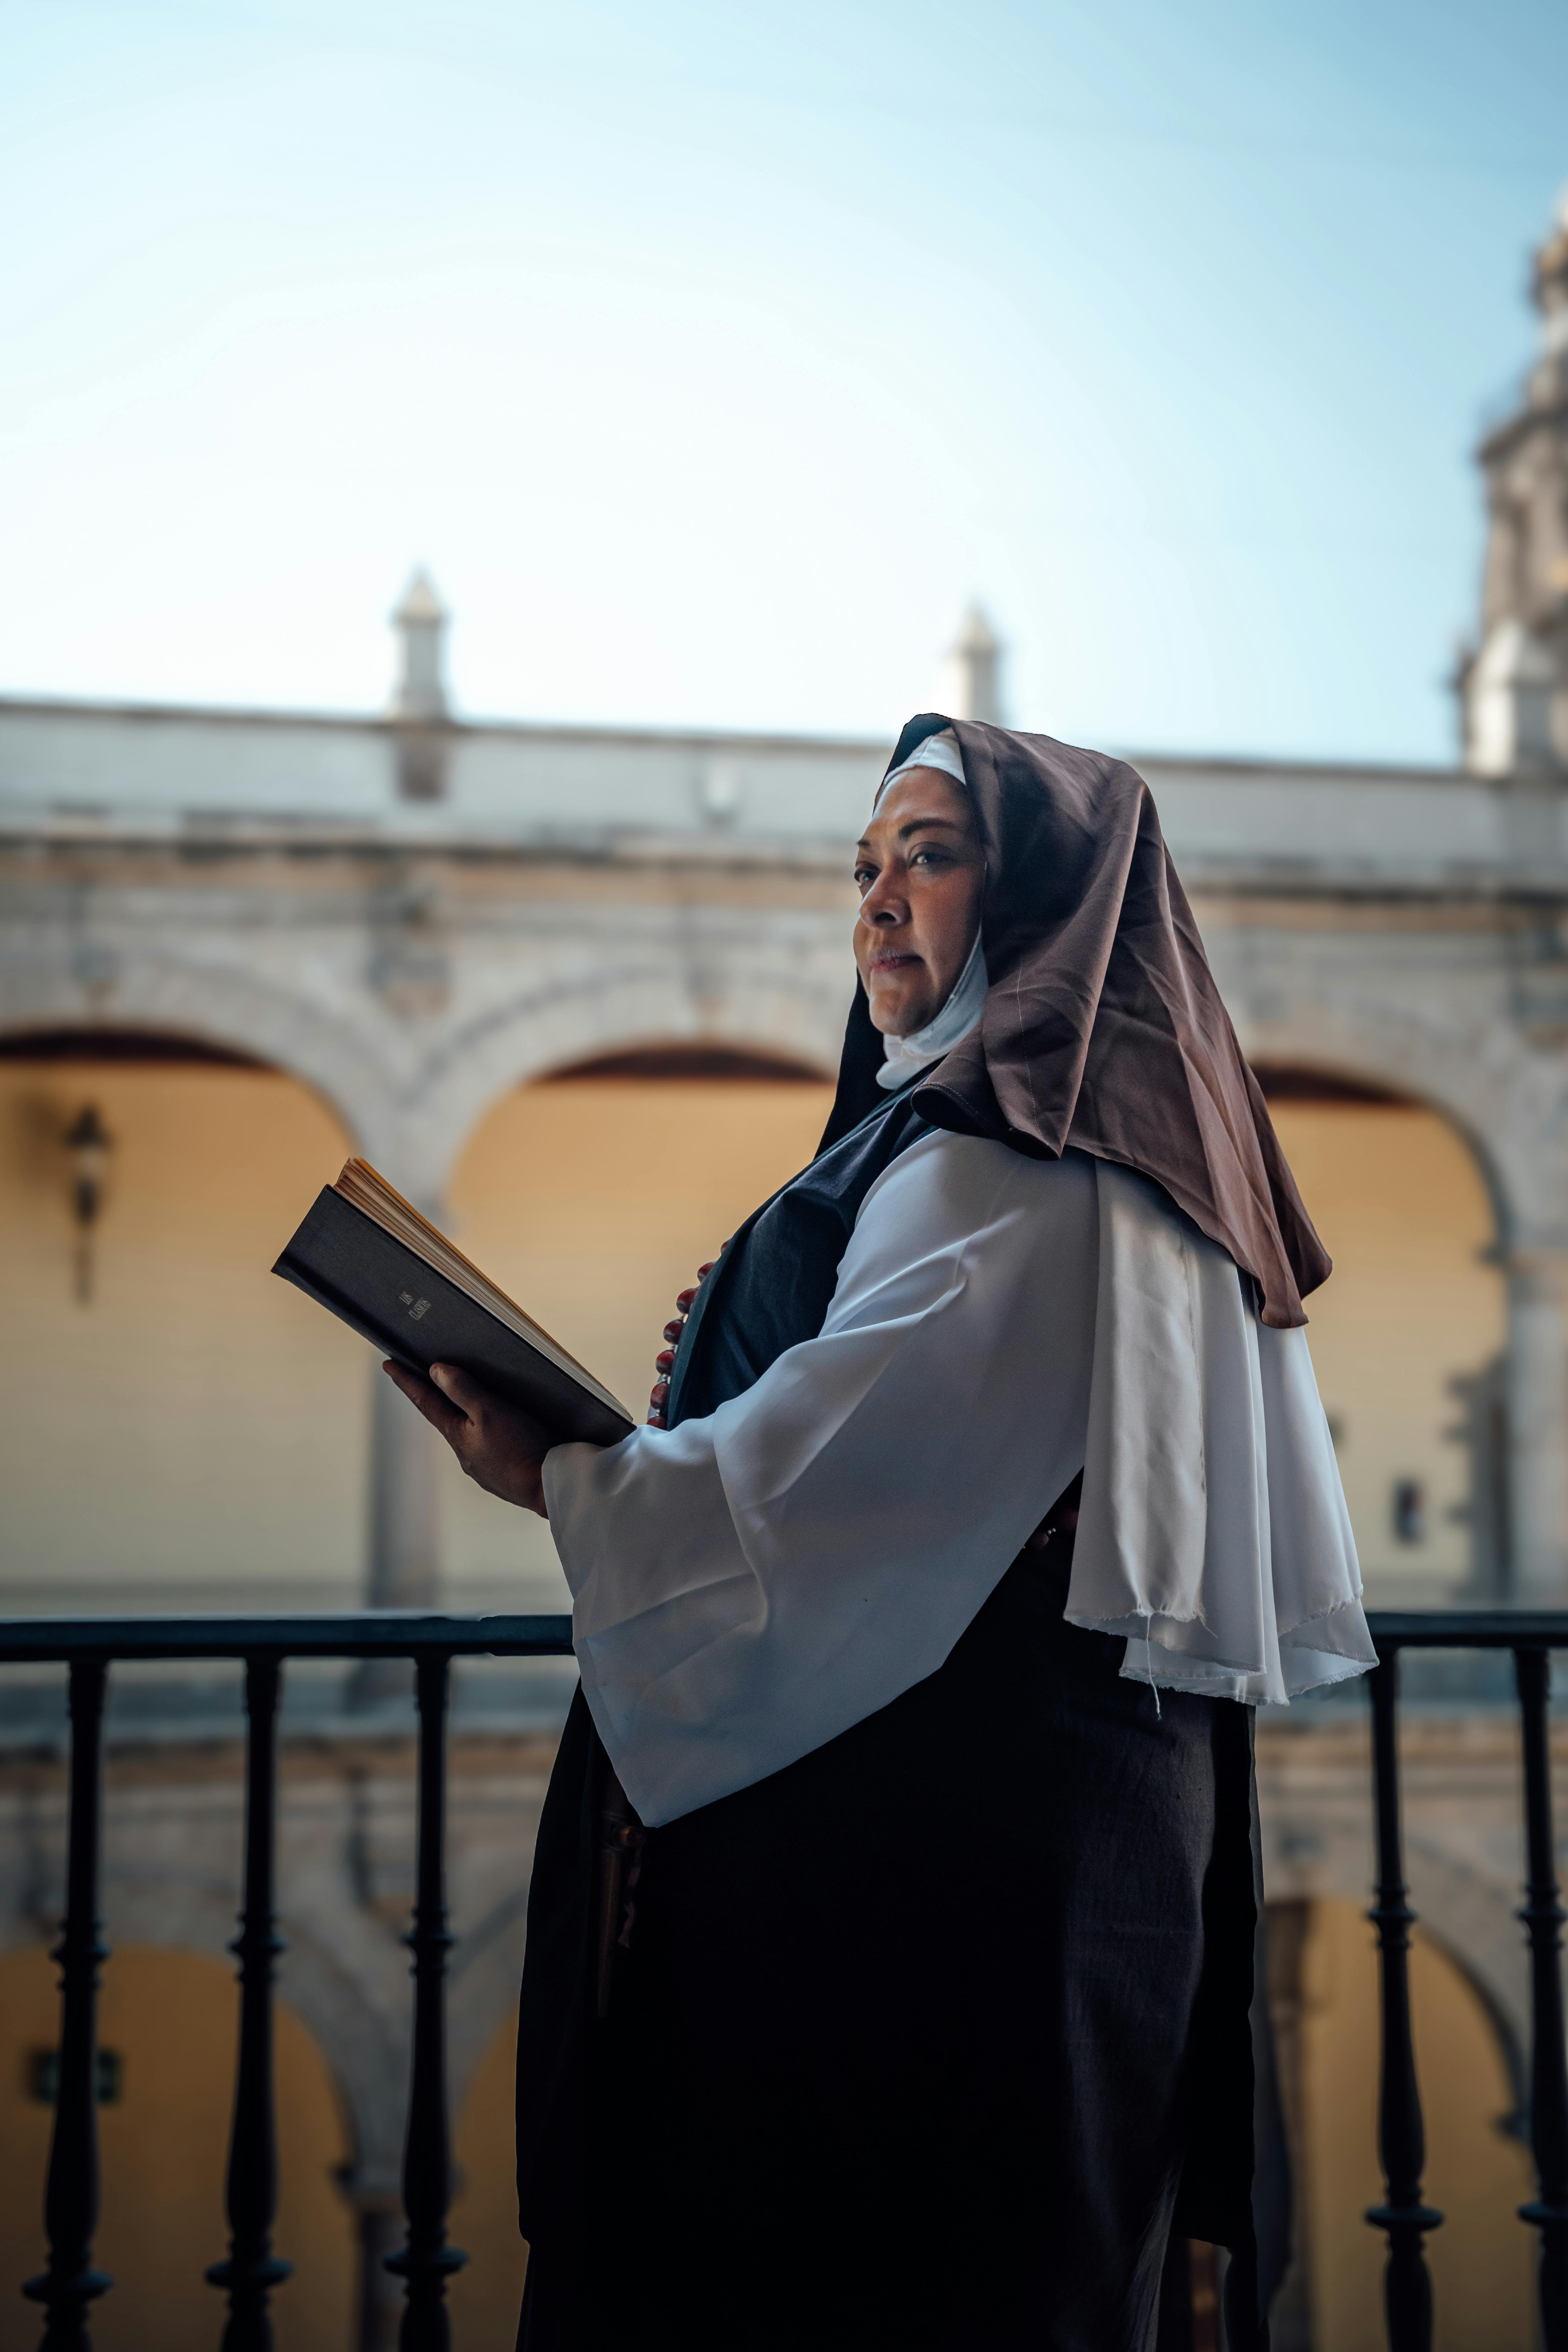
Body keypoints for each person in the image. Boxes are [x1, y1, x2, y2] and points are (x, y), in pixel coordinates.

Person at [386, 715, 1376, 2352]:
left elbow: (842, 1481)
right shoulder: (1023, 1148)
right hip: (1011, 1843)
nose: (878, 898)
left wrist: (565, 1477)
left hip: (940, 1877)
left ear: (1046, 894)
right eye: (863, 865)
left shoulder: (1023, 1166)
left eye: (931, 853)